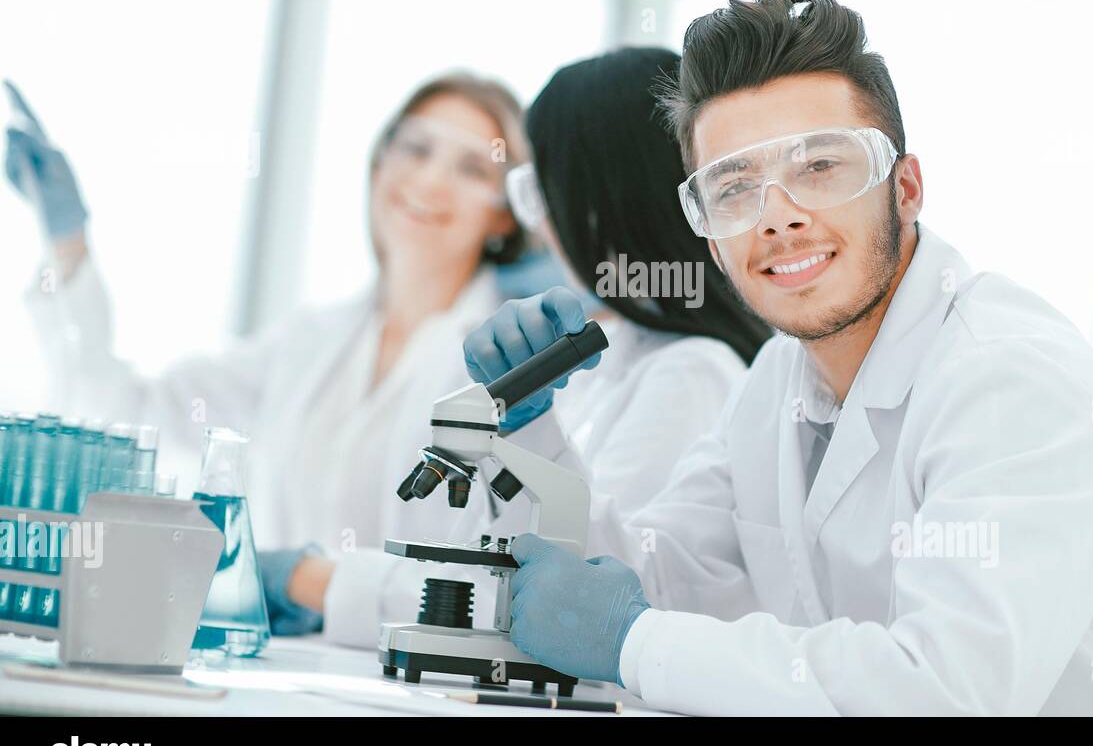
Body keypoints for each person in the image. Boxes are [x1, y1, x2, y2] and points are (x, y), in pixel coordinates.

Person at [466, 0, 1093, 716]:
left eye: (819, 166)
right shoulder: (778, 380)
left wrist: (631, 640)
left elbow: (943, 690)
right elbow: (635, 588)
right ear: (708, 236)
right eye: (735, 188)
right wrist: (532, 430)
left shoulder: (1010, 377)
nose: (777, 218)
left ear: (907, 189)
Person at [4, 73, 550, 636]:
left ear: (504, 213)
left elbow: (510, 586)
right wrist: (68, 246)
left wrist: (310, 581)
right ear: (378, 164)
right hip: (291, 672)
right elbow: (129, 411)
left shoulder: (515, 359)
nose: (431, 180)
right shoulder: (309, 341)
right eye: (415, 148)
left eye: (472, 168)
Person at [274, 47, 770, 647]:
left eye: (542, 192)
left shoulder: (691, 373)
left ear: (599, 199)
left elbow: (584, 594)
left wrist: (320, 582)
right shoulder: (606, 354)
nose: (540, 223)